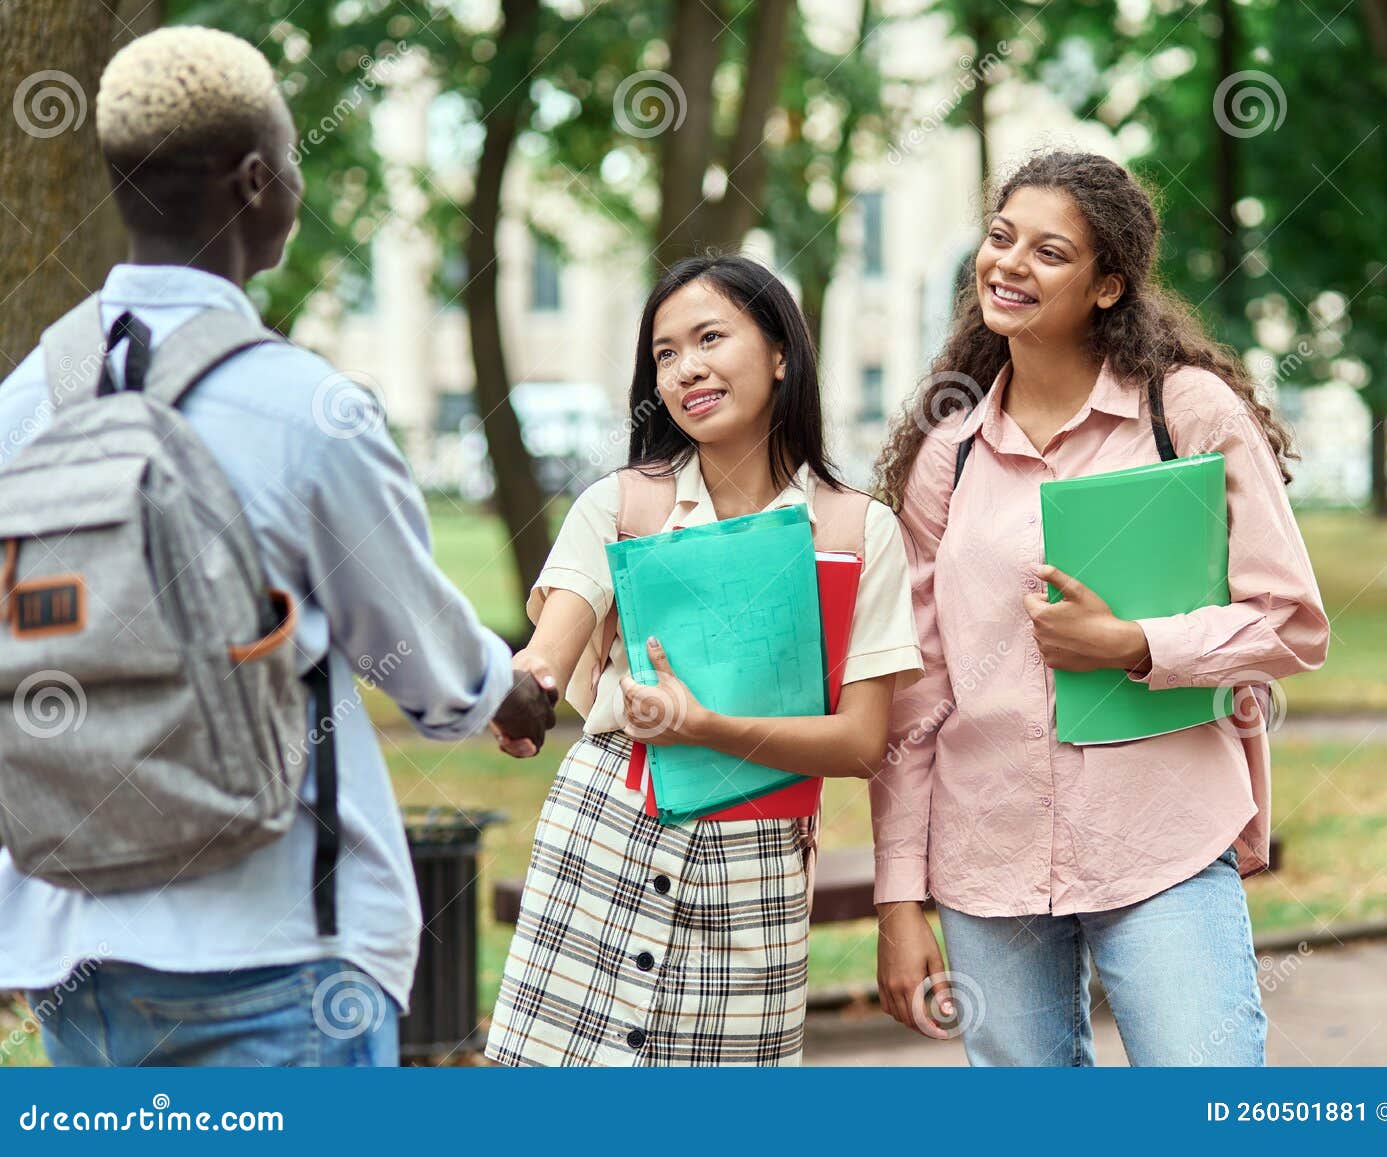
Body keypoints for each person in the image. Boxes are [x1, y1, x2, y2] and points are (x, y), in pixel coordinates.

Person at [0, 26, 554, 1067]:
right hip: (276, 946)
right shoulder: (308, 411)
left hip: (74, 952)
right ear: (256, 180)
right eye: (293, 159)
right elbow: (421, 663)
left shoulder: (22, 407)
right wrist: (511, 691)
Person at [870, 150, 1330, 1066]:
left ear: (1109, 285)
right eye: (1001, 238)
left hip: (1157, 837)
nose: (1009, 264)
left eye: (1049, 252)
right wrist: (897, 899)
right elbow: (915, 698)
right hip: (985, 857)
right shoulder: (947, 454)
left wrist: (1135, 643)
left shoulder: (1184, 415)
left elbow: (1291, 620)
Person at [486, 255, 922, 1066]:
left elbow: (862, 743)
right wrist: (519, 692)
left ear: (781, 351)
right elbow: (550, 650)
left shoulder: (859, 533)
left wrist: (706, 725)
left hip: (754, 870)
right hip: (605, 840)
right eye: (665, 353)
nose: (687, 369)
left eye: (710, 338)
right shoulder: (618, 505)